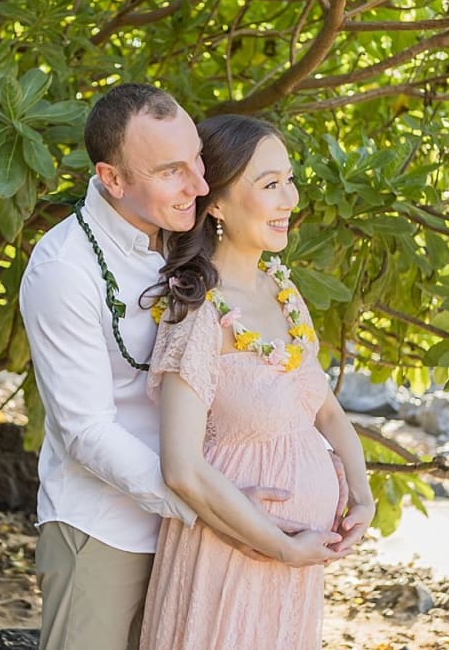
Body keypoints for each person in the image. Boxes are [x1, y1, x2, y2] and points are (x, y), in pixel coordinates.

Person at [19, 85, 338, 650]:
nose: (197, 183)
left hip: (210, 533)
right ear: (113, 179)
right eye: (172, 171)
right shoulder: (64, 270)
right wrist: (206, 501)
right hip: (108, 530)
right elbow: (85, 431)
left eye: (196, 158)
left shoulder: (192, 236)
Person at [138, 114, 377, 650]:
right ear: (216, 203)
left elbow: (328, 412)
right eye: (269, 184)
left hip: (293, 571)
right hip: (230, 559)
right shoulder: (197, 314)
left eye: (290, 180)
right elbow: (181, 468)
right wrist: (277, 544)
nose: (289, 198)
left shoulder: (284, 294)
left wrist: (362, 495)